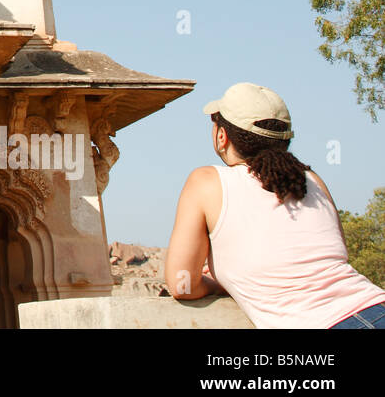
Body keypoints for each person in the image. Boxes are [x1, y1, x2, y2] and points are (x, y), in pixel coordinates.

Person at [164, 82, 385, 328]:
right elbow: (332, 258)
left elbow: (181, 285)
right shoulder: (311, 180)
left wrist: (221, 283)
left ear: (221, 136)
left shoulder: (205, 182)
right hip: (374, 305)